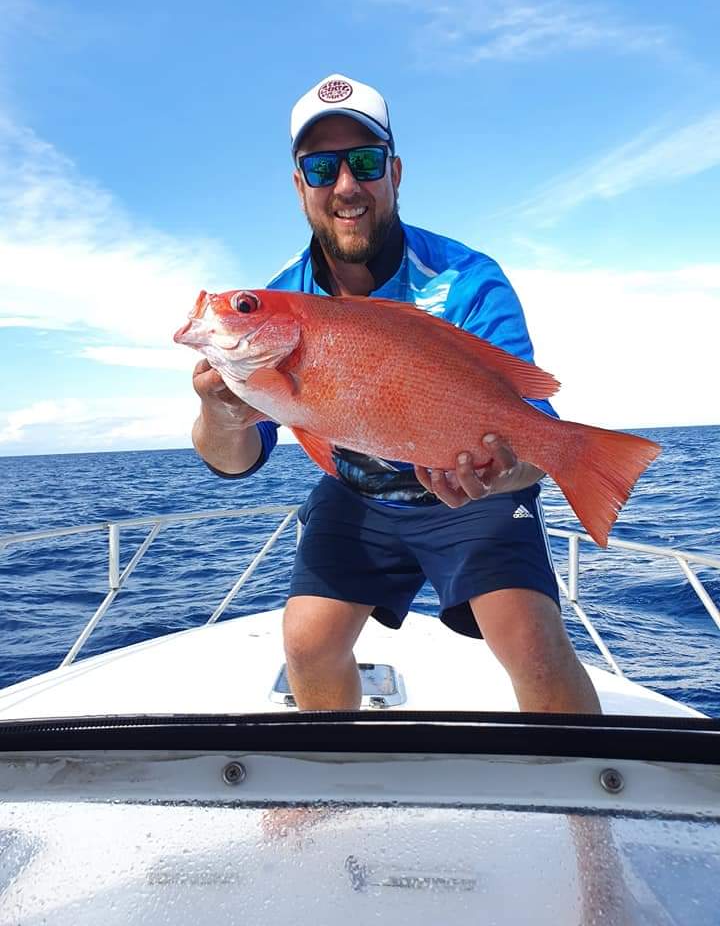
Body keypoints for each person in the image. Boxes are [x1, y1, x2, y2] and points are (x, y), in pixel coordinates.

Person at [191, 73, 601, 716]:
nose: (346, 185)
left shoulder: (467, 278)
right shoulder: (282, 298)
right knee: (305, 642)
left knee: (533, 644)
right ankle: (333, 794)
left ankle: (590, 815)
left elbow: (530, 416)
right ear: (300, 185)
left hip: (468, 494)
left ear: (395, 171)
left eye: (365, 161)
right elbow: (235, 460)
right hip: (360, 491)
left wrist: (505, 471)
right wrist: (220, 411)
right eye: (323, 167)